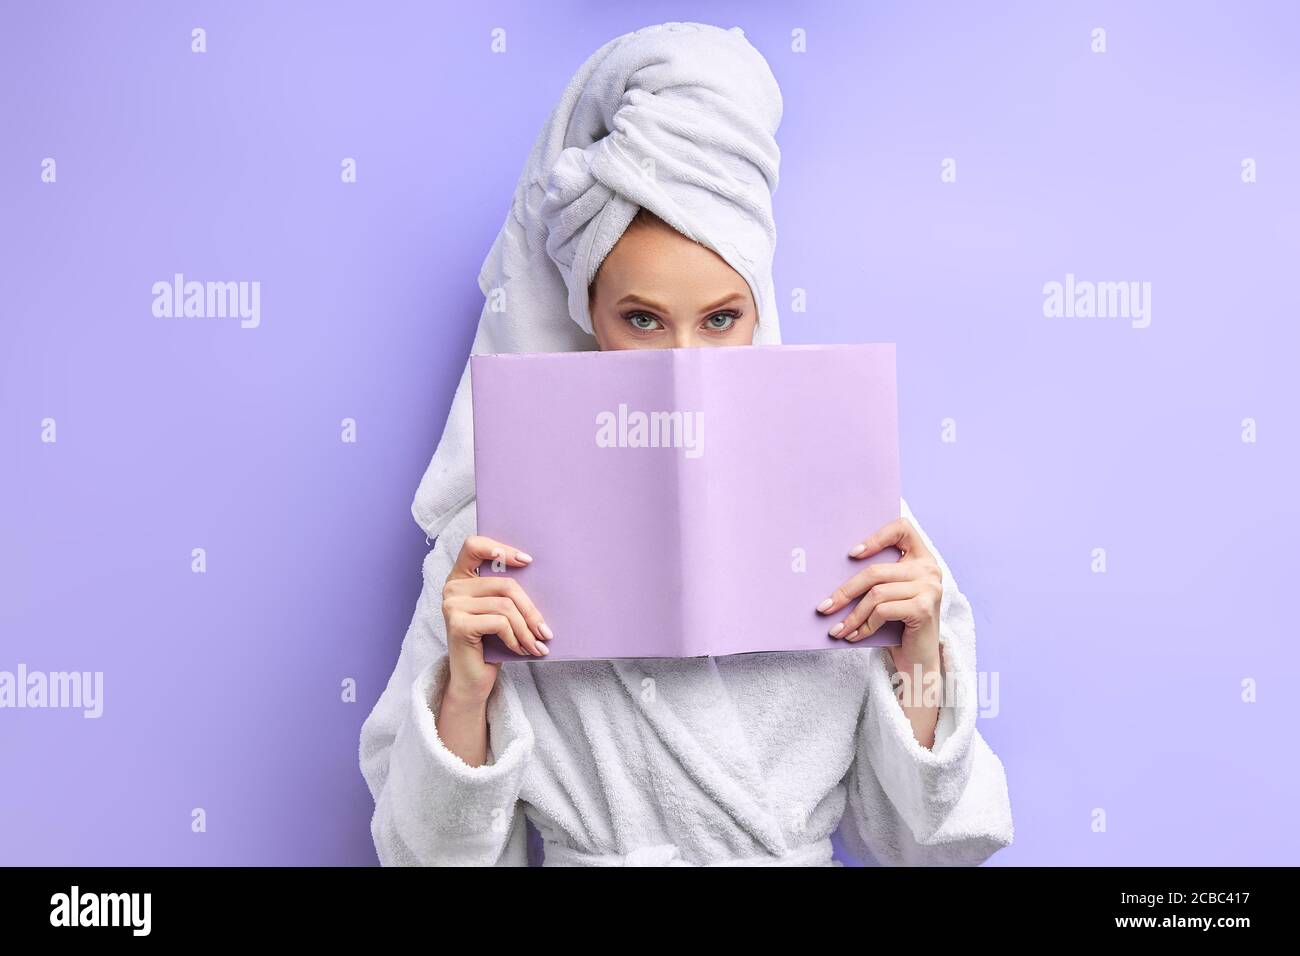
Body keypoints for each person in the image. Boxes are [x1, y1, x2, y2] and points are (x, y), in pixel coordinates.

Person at [359, 21, 1013, 866]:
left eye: (720, 319)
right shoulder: (488, 546)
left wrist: (919, 657)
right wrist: (466, 693)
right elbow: (422, 860)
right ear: (586, 314)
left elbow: (936, 848)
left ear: (759, 310)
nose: (683, 367)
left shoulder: (867, 527)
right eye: (640, 320)